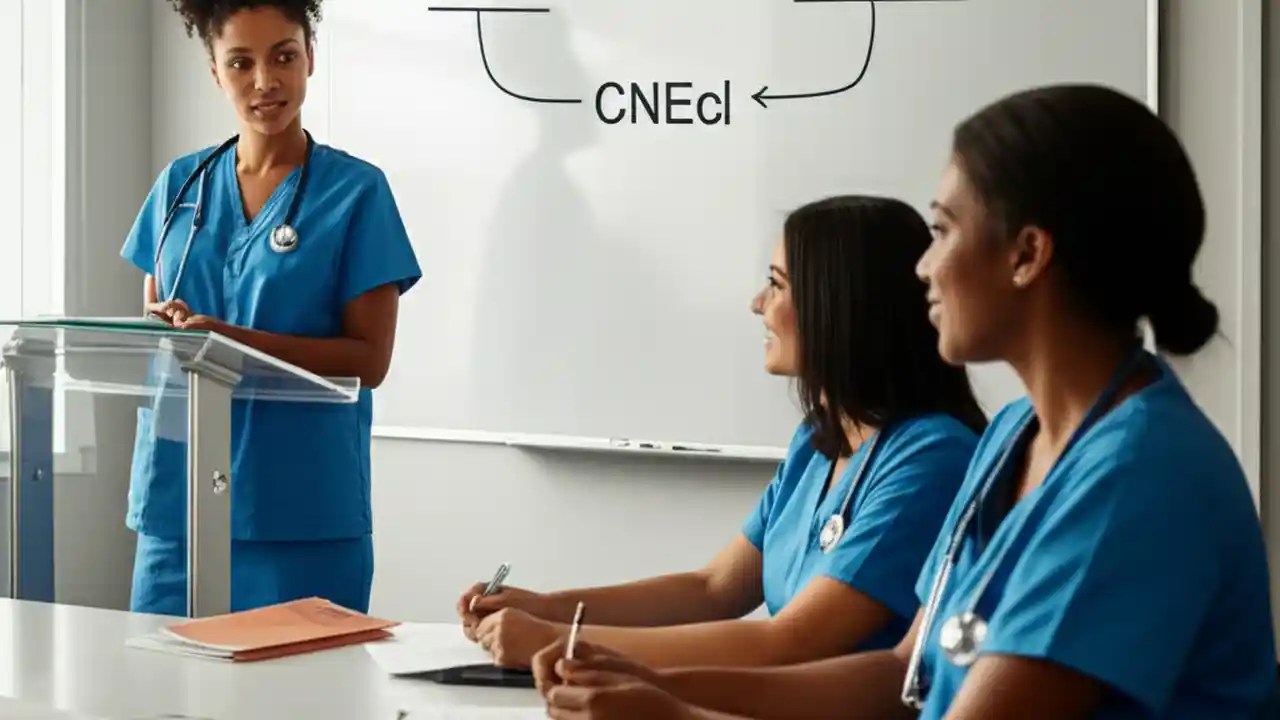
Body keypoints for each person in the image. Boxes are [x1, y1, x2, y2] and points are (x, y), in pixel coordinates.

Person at [529, 84, 1279, 719]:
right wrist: (659, 683)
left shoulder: (1136, 477)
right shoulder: (1015, 434)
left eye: (943, 231)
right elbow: (902, 675)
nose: (922, 267)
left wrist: (679, 715)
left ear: (1027, 254)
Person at [456, 196, 988, 670]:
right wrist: (543, 608)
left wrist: (561, 640)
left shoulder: (931, 457)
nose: (757, 303)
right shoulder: (820, 439)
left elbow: (791, 643)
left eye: (777, 285)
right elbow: (714, 589)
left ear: (840, 305)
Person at [119, 0, 421, 615]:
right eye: (241, 62)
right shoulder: (179, 186)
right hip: (178, 508)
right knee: (160, 700)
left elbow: (370, 360)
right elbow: (155, 329)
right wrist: (177, 333)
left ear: (310, 56)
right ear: (214, 71)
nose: (265, 82)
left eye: (284, 56)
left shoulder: (356, 192)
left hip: (298, 512)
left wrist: (231, 342)